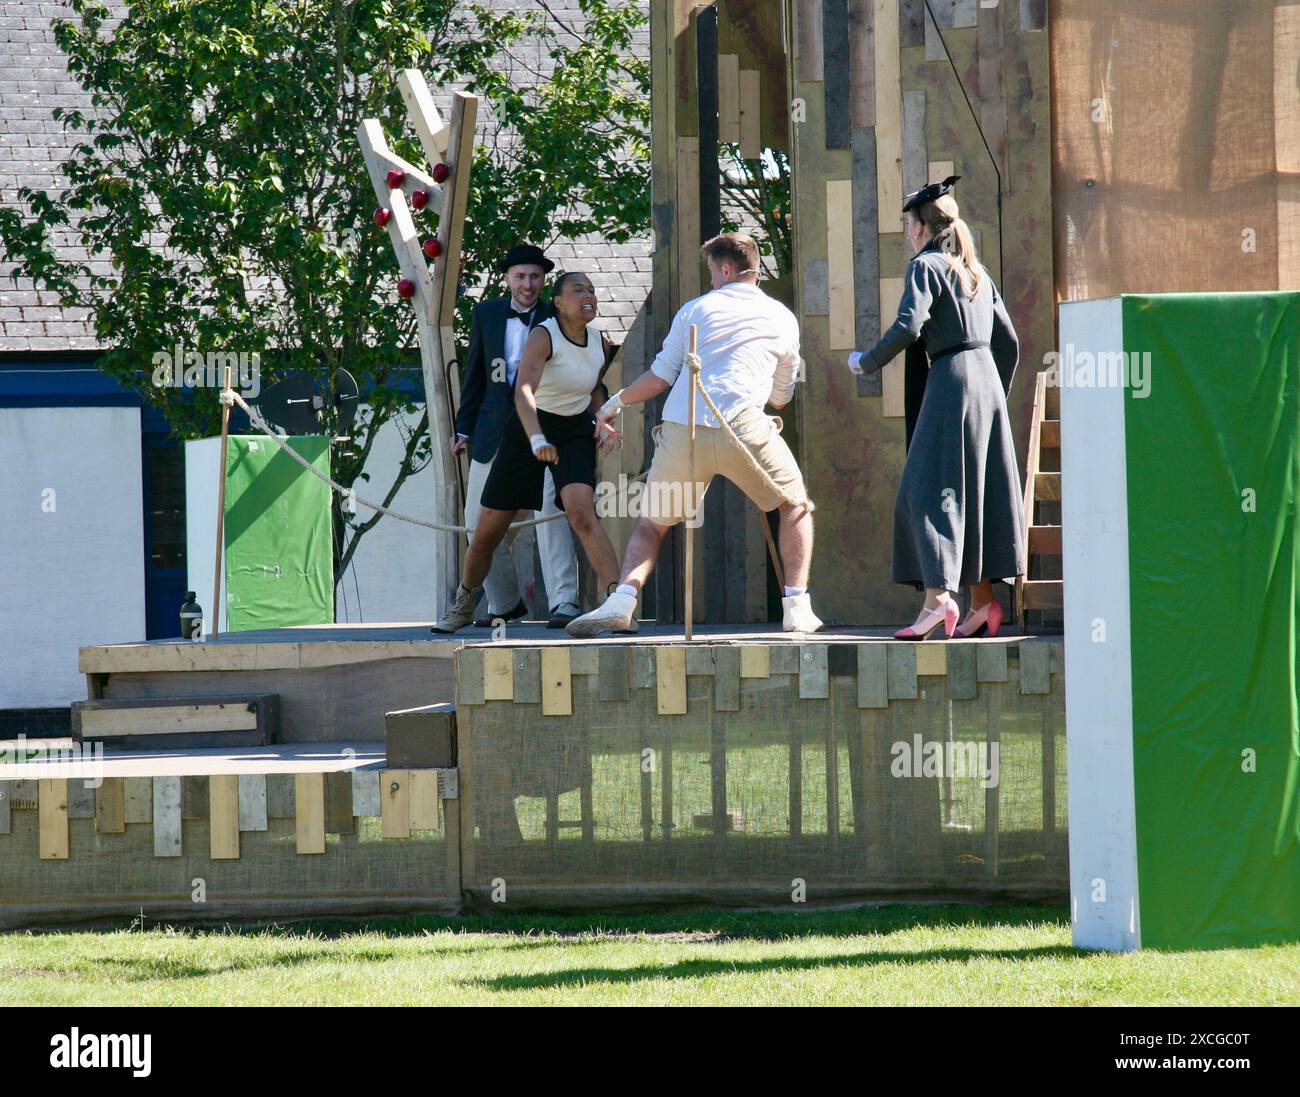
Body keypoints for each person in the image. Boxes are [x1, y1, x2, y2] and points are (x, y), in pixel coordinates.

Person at [566, 232, 822, 638]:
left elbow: (660, 377)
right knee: (795, 507)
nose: (711, 281)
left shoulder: (695, 310)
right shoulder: (782, 317)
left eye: (711, 273)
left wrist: (610, 405)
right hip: (744, 426)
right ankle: (797, 608)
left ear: (724, 269)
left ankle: (622, 604)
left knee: (651, 524)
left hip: (683, 430)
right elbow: (780, 398)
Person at [847, 177, 1025, 640]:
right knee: (975, 492)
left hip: (952, 379)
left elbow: (909, 325)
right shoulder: (977, 274)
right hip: (985, 383)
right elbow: (1010, 343)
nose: (908, 234)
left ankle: (938, 601)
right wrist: (991, 399)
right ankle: (983, 604)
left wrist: (866, 361)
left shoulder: (926, 266)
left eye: (909, 225)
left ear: (923, 228)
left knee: (924, 491)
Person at [435, 271, 623, 633]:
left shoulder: (601, 341)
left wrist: (603, 420)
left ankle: (619, 603)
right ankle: (464, 601)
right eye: (578, 290)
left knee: (581, 514)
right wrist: (536, 439)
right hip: (527, 429)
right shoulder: (544, 335)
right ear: (558, 301)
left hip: (572, 433)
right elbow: (523, 390)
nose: (588, 296)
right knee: (486, 533)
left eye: (592, 290)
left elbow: (594, 389)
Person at [452, 243, 582, 629]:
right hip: (493, 431)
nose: (528, 284)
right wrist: (463, 427)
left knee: (549, 515)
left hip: (547, 428)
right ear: (507, 278)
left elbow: (582, 370)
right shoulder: (487, 313)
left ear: (544, 281)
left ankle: (565, 602)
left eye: (536, 277)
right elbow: (474, 374)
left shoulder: (560, 316)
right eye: (521, 276)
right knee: (476, 523)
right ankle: (504, 603)